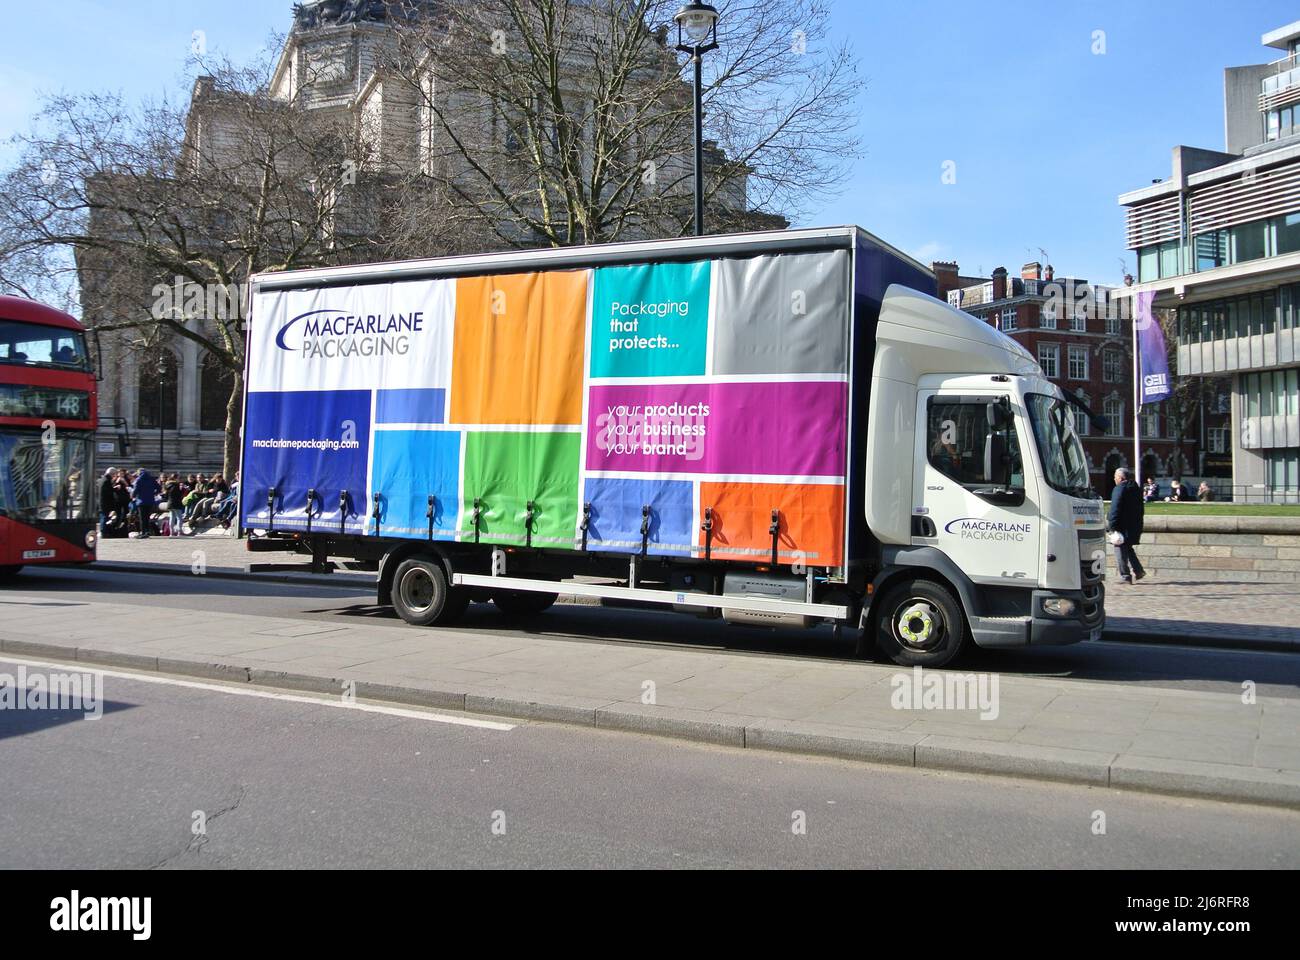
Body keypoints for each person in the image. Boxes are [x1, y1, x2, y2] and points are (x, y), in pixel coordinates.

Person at [1109, 467, 1146, 584]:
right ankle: (1139, 571)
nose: (1114, 478)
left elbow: (1115, 508)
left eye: (1115, 476)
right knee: (1128, 548)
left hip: (1121, 526)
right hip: (1133, 525)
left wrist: (1112, 525)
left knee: (1119, 549)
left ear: (1120, 478)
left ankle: (1125, 576)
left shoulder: (1119, 489)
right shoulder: (1136, 489)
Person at [130, 469, 159, 539]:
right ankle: (147, 531)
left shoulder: (138, 479)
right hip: (150, 501)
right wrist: (154, 493)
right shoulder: (151, 479)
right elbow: (159, 487)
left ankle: (143, 532)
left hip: (141, 501)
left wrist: (133, 496)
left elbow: (135, 490)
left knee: (142, 518)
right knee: (147, 517)